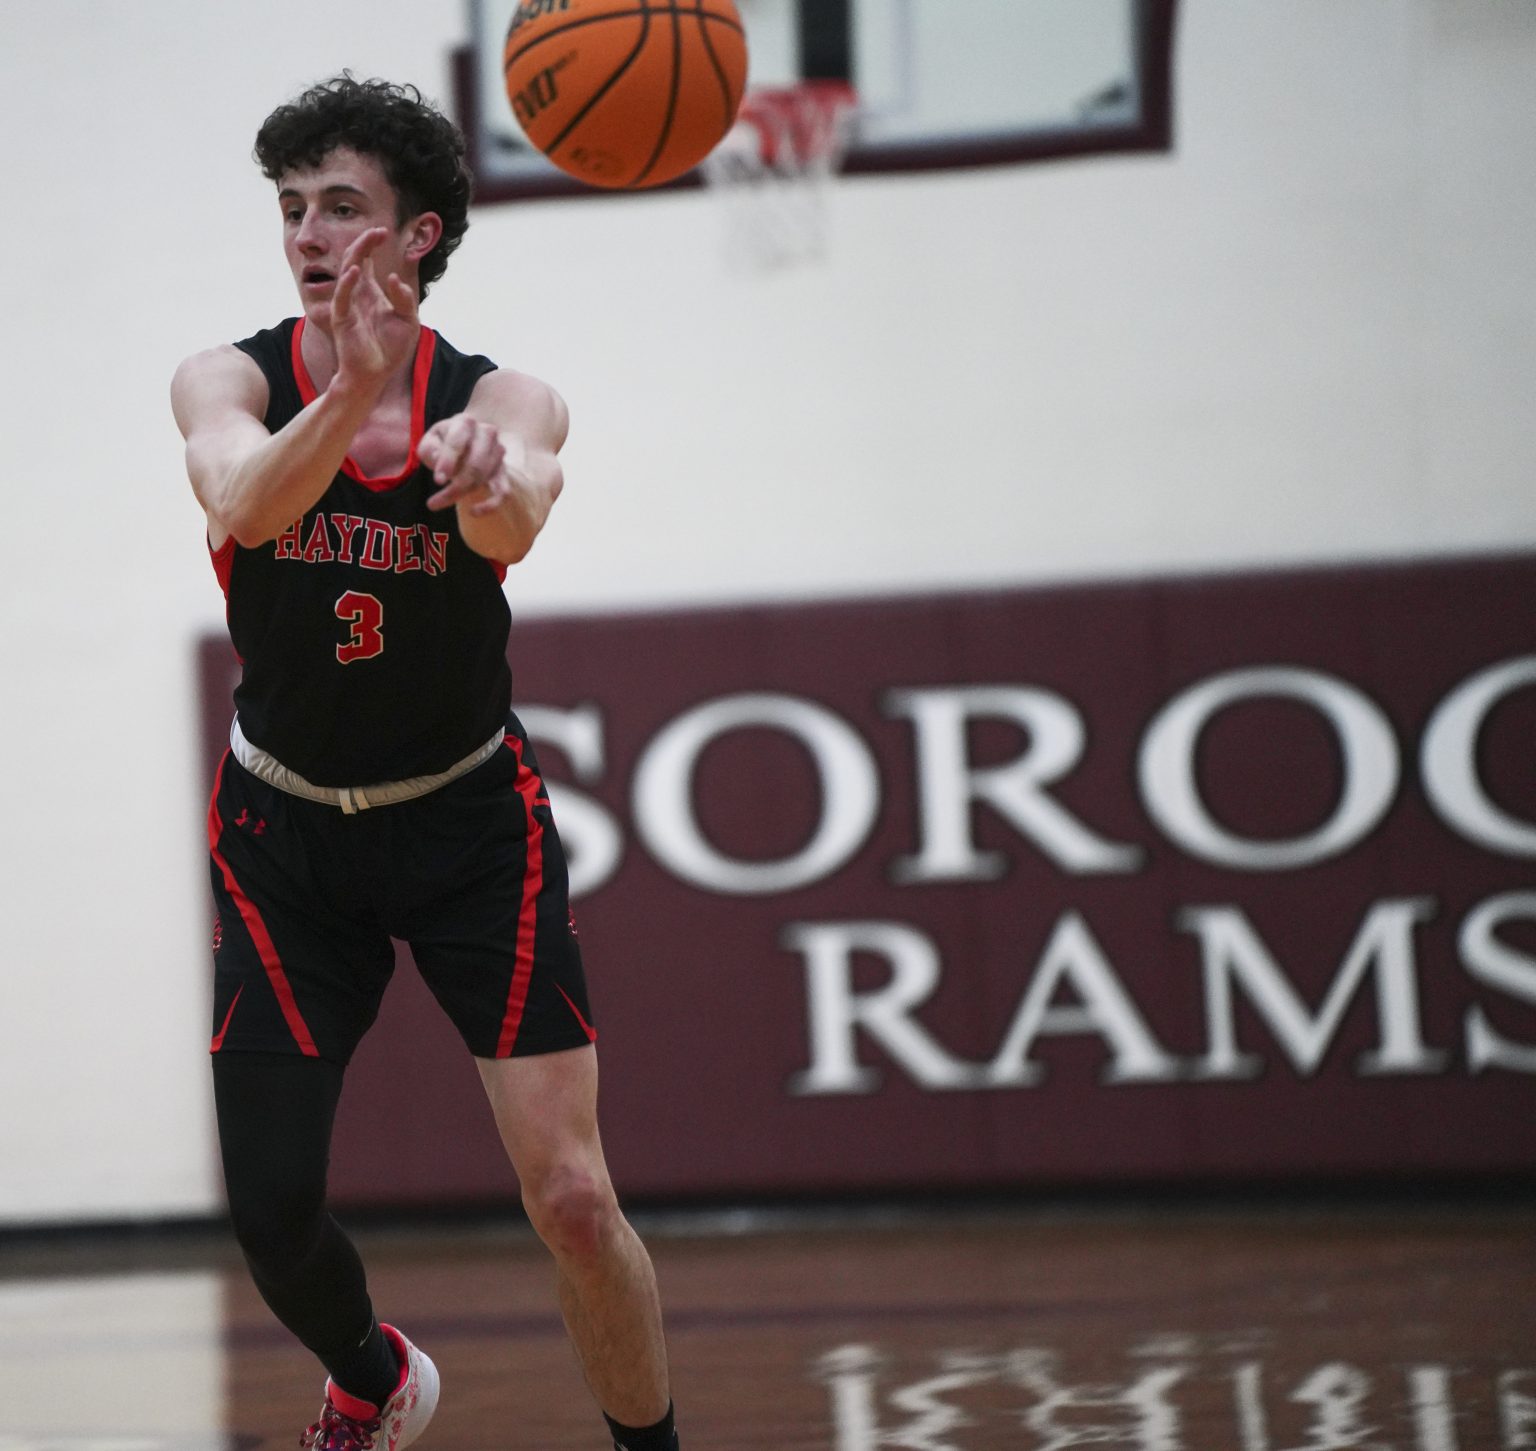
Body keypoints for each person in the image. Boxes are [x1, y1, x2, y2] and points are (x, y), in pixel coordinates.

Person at [171, 75, 679, 1451]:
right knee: (273, 1216)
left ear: (421, 235)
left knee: (573, 1197)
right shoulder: (232, 379)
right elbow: (242, 498)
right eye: (292, 209)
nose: (310, 235)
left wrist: (488, 475)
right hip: (285, 835)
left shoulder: (501, 395)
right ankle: (372, 1375)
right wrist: (352, 393)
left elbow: (523, 516)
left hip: (466, 827)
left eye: (344, 207)